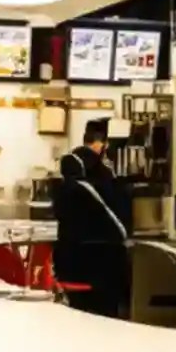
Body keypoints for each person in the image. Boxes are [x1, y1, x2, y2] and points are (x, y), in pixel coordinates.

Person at [52, 119, 131, 318]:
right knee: (106, 316)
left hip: (70, 262)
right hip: (103, 263)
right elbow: (118, 212)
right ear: (101, 144)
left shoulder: (68, 173)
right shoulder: (102, 174)